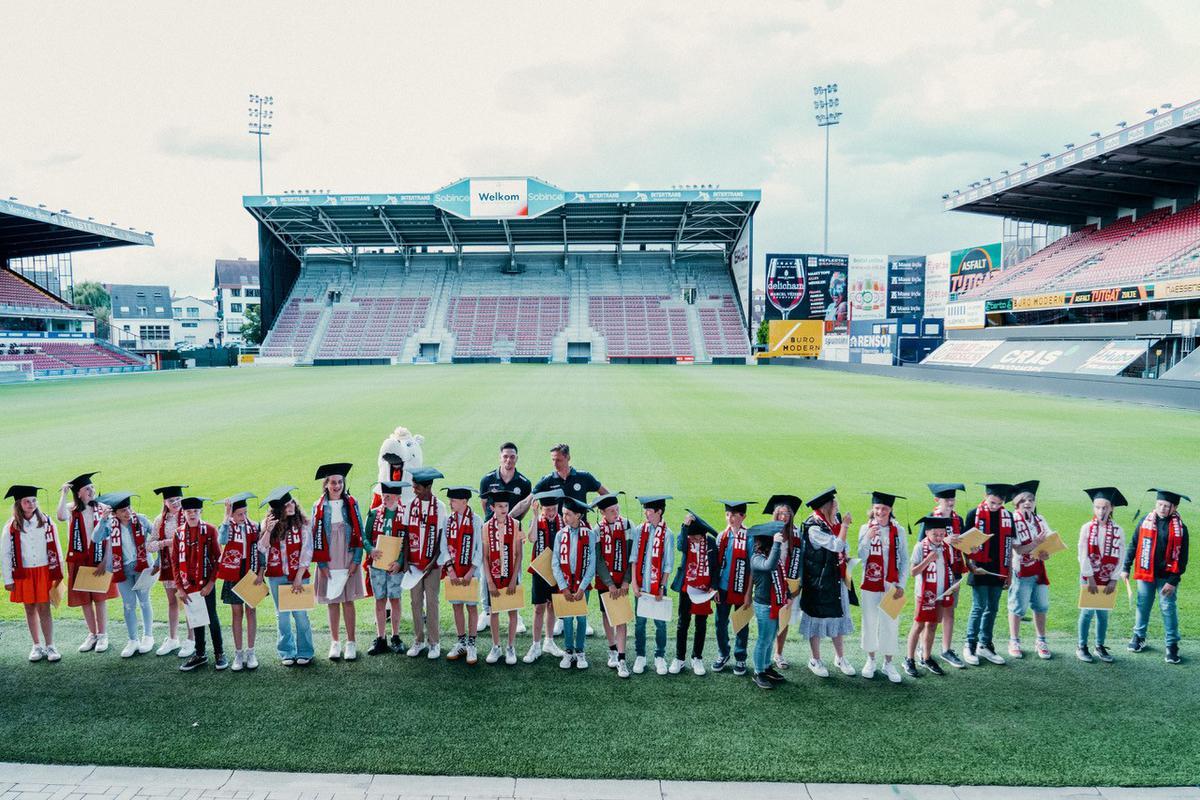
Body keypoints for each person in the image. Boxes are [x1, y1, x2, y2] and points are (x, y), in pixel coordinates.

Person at [524, 443, 610, 638]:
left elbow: (604, 493)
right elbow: (530, 499)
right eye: (553, 460)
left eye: (559, 460)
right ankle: (563, 619)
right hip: (559, 536)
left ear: (568, 458)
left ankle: (581, 617)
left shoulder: (583, 477)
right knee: (563, 575)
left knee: (581, 573)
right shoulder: (547, 480)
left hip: (581, 535)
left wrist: (599, 511)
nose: (555, 463)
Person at [1123, 488, 1189, 664]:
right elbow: (1133, 544)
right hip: (1146, 573)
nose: (1162, 508)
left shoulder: (1181, 529)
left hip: (1166, 577)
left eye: (1166, 506)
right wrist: (1125, 567)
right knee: (1142, 605)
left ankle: (1172, 645)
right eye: (1159, 504)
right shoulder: (1145, 521)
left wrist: (1173, 581)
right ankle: (1139, 637)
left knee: (1168, 608)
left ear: (1174, 507)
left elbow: (1182, 558)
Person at [908, 482, 967, 669]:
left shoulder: (959, 519)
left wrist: (969, 548)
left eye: (953, 498)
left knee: (948, 613)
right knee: (926, 619)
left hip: (952, 574)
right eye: (947, 499)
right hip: (929, 581)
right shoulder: (931, 520)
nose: (951, 502)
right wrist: (945, 541)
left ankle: (946, 650)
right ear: (937, 500)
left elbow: (963, 543)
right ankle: (921, 652)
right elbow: (921, 549)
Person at [311, 462, 366, 662]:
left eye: (340, 482)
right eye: (333, 482)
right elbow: (315, 536)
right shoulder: (318, 507)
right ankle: (335, 642)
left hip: (348, 553)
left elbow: (360, 532)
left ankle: (351, 642)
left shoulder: (351, 503)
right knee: (332, 601)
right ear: (326, 484)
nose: (337, 486)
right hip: (329, 556)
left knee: (348, 600)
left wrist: (356, 560)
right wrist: (322, 565)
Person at [799, 487, 856, 678]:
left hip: (835, 577)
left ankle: (840, 657)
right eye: (835, 504)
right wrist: (846, 527)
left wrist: (845, 556)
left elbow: (844, 547)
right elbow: (836, 545)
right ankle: (815, 659)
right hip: (818, 581)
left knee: (837, 616)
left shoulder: (832, 521)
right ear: (827, 506)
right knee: (816, 618)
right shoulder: (814, 526)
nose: (838, 507)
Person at [3, 485, 64, 662]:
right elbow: (5, 554)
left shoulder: (46, 521)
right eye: (27, 501)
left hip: (44, 570)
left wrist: (58, 573)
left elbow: (57, 547)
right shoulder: (11, 527)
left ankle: (50, 645)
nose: (31, 504)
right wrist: (8, 579)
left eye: (33, 500)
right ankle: (36, 646)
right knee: (29, 608)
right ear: (19, 504)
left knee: (44, 608)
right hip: (24, 573)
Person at [93, 492, 156, 659]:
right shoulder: (109, 524)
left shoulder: (141, 520)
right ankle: (133, 639)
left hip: (142, 568)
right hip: (122, 569)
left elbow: (156, 533)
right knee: (128, 605)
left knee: (144, 601)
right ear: (115, 513)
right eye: (122, 511)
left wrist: (154, 546)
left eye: (128, 508)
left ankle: (148, 636)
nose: (127, 513)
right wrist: (102, 520)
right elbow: (96, 538)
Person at [256, 486, 315, 666]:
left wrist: (298, 577)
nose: (291, 506)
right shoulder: (267, 524)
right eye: (286, 504)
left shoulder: (303, 523)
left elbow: (307, 550)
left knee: (301, 615)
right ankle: (287, 651)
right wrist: (268, 531)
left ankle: (305, 651)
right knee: (282, 616)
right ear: (278, 509)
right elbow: (261, 549)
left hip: (299, 575)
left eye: (291, 502)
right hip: (277, 576)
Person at [57, 472, 114, 653]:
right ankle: (92, 634)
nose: (91, 491)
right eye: (87, 489)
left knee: (99, 598)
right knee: (85, 600)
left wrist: (106, 560)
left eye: (92, 487)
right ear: (79, 493)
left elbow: (111, 537)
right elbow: (59, 517)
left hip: (98, 558)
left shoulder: (103, 508)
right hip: (79, 559)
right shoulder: (71, 508)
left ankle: (103, 635)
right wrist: (64, 494)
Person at [478, 442, 532, 633]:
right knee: (488, 571)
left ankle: (515, 613)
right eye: (505, 456)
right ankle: (486, 611)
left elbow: (524, 508)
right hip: (490, 534)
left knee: (513, 569)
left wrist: (510, 522)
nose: (509, 460)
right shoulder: (487, 480)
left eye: (512, 457)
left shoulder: (524, 482)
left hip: (512, 533)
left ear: (517, 458)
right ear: (500, 457)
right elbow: (485, 505)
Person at [961, 482, 1016, 666]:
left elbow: (1010, 546)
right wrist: (970, 565)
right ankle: (970, 644)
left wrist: (1009, 573)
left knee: (992, 608)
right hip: (979, 568)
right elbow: (964, 544)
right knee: (979, 607)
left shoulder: (1008, 516)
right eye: (992, 502)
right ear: (986, 496)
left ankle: (985, 645)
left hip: (999, 569)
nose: (994, 507)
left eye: (998, 504)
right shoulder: (973, 514)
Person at [856, 491, 907, 683]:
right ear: (873, 509)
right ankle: (870, 660)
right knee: (869, 621)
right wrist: (868, 537)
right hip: (869, 583)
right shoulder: (864, 528)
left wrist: (901, 584)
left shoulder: (898, 530)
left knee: (890, 624)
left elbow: (904, 561)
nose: (880, 511)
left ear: (890, 509)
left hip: (892, 584)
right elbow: (861, 556)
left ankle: (888, 663)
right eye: (877, 508)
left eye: (884, 508)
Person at [175, 496, 226, 672]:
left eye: (195, 511)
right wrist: (180, 588)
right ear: (184, 513)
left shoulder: (210, 530)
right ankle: (200, 653)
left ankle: (219, 653)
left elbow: (218, 559)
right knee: (195, 618)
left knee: (211, 617)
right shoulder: (178, 533)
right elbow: (175, 562)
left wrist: (211, 583)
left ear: (200, 512)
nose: (192, 514)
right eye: (189, 511)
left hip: (206, 582)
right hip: (188, 584)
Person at [1077, 487, 1126, 664]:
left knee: (1103, 615)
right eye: (1097, 507)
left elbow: (1121, 555)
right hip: (1089, 577)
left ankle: (1100, 645)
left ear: (1112, 508)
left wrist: (1114, 578)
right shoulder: (1087, 528)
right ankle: (1081, 646)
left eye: (1105, 507)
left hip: (1108, 578)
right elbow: (1082, 554)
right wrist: (1089, 578)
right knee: (1087, 612)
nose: (1101, 511)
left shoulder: (1118, 531)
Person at [405, 466, 449, 658]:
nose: (414, 490)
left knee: (432, 602)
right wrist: (406, 560)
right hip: (414, 564)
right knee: (415, 602)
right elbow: (406, 535)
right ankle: (418, 640)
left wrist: (433, 562)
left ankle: (434, 642)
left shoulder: (439, 507)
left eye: (417, 487)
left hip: (432, 564)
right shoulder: (410, 505)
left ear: (428, 486)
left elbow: (441, 538)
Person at [905, 515, 955, 678]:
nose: (939, 537)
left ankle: (926, 657)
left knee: (932, 625)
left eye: (942, 534)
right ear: (927, 533)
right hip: (924, 594)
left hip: (941, 593)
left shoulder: (946, 547)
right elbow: (913, 572)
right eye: (936, 534)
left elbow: (948, 567)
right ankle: (909, 658)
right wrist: (927, 560)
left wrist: (953, 583)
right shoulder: (920, 547)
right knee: (919, 625)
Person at [1007, 480, 1052, 660]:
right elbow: (1017, 548)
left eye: (1031, 500)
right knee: (1017, 607)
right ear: (1016, 503)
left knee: (1041, 605)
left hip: (1039, 569)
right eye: (1024, 500)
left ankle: (1041, 640)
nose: (1028, 503)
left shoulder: (1040, 519)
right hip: (1021, 570)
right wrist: (1035, 544)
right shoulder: (1012, 520)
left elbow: (1049, 541)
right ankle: (1014, 640)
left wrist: (1047, 553)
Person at [630, 494, 675, 676]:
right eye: (645, 510)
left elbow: (668, 565)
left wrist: (662, 587)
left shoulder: (668, 534)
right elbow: (633, 559)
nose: (646, 513)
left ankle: (659, 656)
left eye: (649, 510)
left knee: (660, 624)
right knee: (639, 623)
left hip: (657, 587)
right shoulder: (640, 530)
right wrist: (634, 583)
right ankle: (640, 655)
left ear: (659, 511)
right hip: (640, 585)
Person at [363, 480, 409, 656]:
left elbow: (408, 543)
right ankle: (380, 638)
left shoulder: (404, 516)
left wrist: (400, 562)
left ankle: (395, 637)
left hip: (395, 565)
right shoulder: (374, 514)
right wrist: (370, 550)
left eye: (389, 496)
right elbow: (365, 537)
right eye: (383, 496)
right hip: (377, 565)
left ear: (398, 497)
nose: (385, 499)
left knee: (395, 599)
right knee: (380, 599)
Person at [670, 510, 719, 676]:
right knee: (683, 623)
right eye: (693, 538)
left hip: (704, 590)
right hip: (687, 588)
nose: (696, 540)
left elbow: (716, 566)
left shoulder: (711, 543)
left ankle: (697, 657)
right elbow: (680, 545)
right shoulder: (686, 541)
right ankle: (679, 658)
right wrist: (685, 527)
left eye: (698, 538)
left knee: (701, 624)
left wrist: (713, 585)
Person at [147, 484, 193, 657]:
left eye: (178, 499)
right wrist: (165, 543)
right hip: (168, 566)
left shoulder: (189, 516)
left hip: (187, 566)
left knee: (188, 602)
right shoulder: (160, 520)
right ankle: (173, 639)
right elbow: (150, 546)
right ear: (165, 502)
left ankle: (191, 640)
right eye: (171, 500)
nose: (175, 503)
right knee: (172, 602)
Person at [217, 491, 261, 671]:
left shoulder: (254, 526)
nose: (243, 517)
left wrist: (260, 572)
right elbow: (222, 540)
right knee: (236, 613)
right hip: (232, 571)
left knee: (251, 611)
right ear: (232, 514)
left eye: (245, 513)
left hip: (250, 570)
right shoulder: (229, 526)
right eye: (239, 514)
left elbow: (261, 550)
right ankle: (238, 653)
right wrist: (226, 518)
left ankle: (251, 652)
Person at [522, 489, 567, 663]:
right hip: (540, 571)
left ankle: (549, 641)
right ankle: (535, 644)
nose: (550, 513)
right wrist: (534, 516)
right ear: (541, 509)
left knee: (553, 606)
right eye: (547, 509)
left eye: (553, 509)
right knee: (539, 608)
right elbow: (532, 539)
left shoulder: (562, 522)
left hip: (557, 571)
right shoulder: (537, 520)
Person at [552, 496, 596, 669]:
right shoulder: (560, 535)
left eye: (568, 514)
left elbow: (591, 564)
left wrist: (582, 587)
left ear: (579, 515)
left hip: (582, 586)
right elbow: (555, 562)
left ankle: (580, 651)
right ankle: (569, 651)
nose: (564, 518)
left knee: (582, 618)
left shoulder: (589, 535)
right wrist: (563, 587)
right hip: (565, 584)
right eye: (563, 514)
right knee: (567, 619)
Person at [591, 493, 633, 676]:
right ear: (602, 513)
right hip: (605, 582)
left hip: (622, 581)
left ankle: (622, 659)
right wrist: (609, 584)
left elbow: (633, 555)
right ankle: (612, 649)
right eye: (611, 511)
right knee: (607, 615)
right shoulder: (597, 530)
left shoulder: (628, 526)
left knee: (621, 617)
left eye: (617, 509)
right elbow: (598, 560)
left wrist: (625, 581)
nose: (616, 513)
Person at [482, 488, 523, 665]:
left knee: (513, 612)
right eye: (500, 506)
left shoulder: (515, 524)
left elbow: (519, 554)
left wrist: (514, 578)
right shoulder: (485, 527)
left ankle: (510, 646)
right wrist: (490, 581)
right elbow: (484, 556)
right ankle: (496, 646)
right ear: (492, 508)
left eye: (506, 505)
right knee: (494, 612)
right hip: (494, 576)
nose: (503, 509)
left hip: (511, 575)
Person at [712, 500, 753, 676]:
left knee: (741, 624)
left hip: (742, 588)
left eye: (734, 515)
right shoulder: (722, 536)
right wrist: (714, 588)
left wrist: (748, 593)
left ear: (743, 516)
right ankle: (723, 653)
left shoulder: (750, 537)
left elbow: (752, 568)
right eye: (728, 514)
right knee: (720, 623)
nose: (730, 518)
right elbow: (715, 565)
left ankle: (740, 656)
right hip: (722, 587)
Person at [442, 485, 483, 664]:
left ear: (464, 502)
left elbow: (480, 548)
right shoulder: (448, 520)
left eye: (453, 500)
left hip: (470, 572)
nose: (450, 503)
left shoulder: (475, 520)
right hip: (453, 572)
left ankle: (472, 643)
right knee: (457, 606)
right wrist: (450, 569)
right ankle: (461, 641)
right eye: (450, 500)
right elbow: (442, 545)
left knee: (471, 607)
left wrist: (471, 570)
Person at [748, 520, 790, 689]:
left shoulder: (772, 554)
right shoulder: (756, 558)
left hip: (775, 604)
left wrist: (786, 595)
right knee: (764, 639)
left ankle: (766, 667)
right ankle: (758, 672)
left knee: (770, 638)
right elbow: (769, 566)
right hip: (764, 606)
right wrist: (777, 545)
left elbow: (781, 578)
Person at [763, 494, 803, 670]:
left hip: (789, 582)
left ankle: (778, 654)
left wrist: (796, 586)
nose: (783, 517)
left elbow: (800, 560)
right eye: (780, 513)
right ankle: (765, 654)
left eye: (786, 513)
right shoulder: (768, 532)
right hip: (771, 582)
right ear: (775, 515)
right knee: (770, 621)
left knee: (784, 620)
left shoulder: (796, 533)